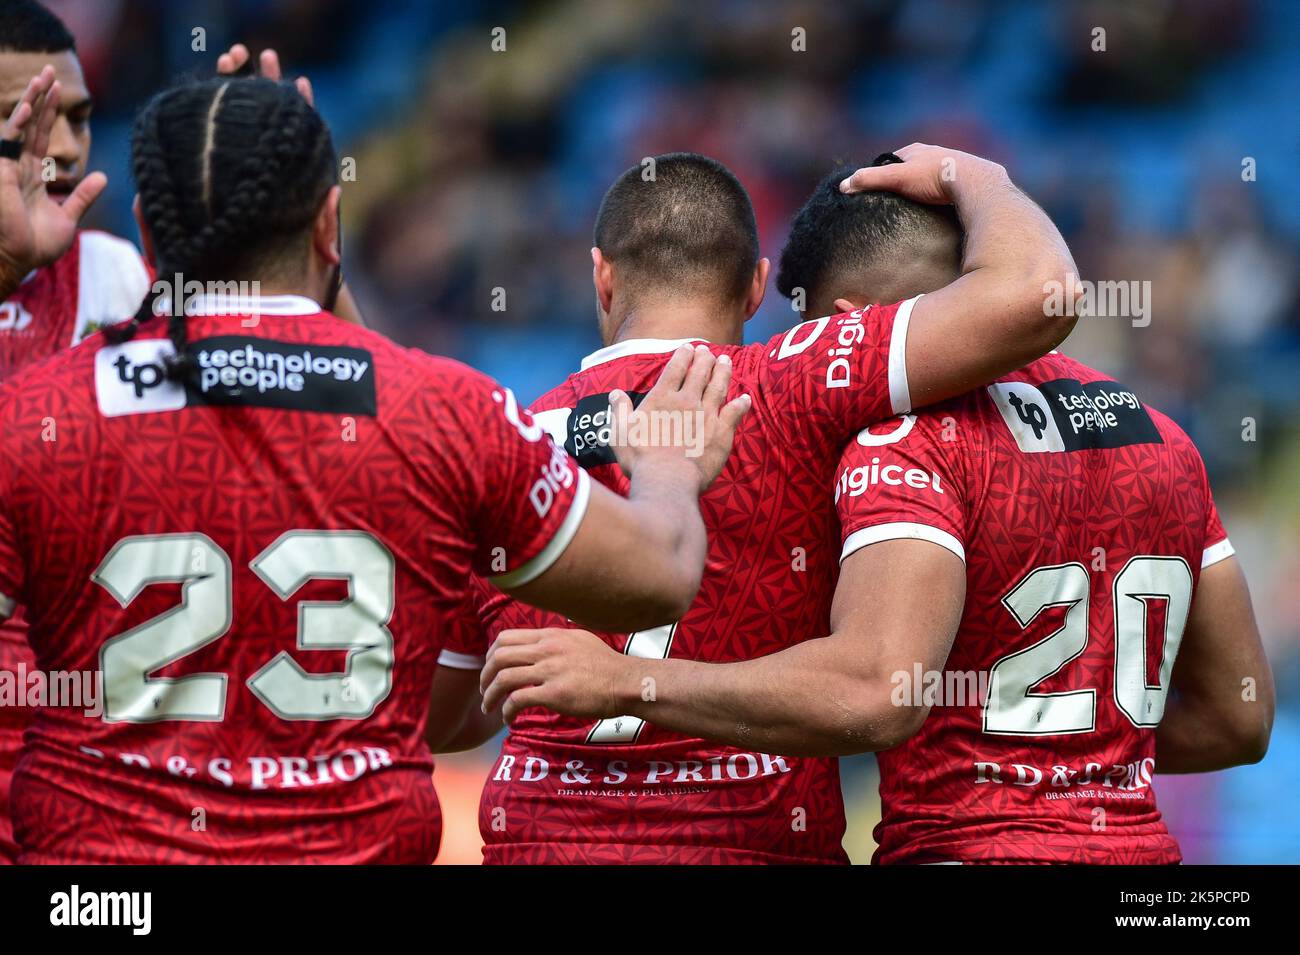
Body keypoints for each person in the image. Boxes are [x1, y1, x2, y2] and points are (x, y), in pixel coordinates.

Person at [0, 75, 746, 863]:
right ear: (331, 224)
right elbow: (658, 574)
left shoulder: (34, 414)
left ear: (147, 235)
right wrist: (665, 462)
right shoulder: (446, 411)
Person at [483, 163, 1276, 864]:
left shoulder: (902, 442)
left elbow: (878, 690)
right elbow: (1241, 719)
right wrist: (1079, 759)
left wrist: (635, 682)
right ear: (752, 284)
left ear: (847, 318)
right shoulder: (1163, 436)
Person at [436, 145, 1082, 864]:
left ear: (602, 278)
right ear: (755, 286)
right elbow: (1037, 293)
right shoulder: (797, 382)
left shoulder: (502, 441)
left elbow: (446, 714)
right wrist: (979, 177)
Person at [0, 0, 150, 864]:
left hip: (79, 761)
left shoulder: (115, 278)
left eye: (81, 119)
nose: (60, 150)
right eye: (22, 122)